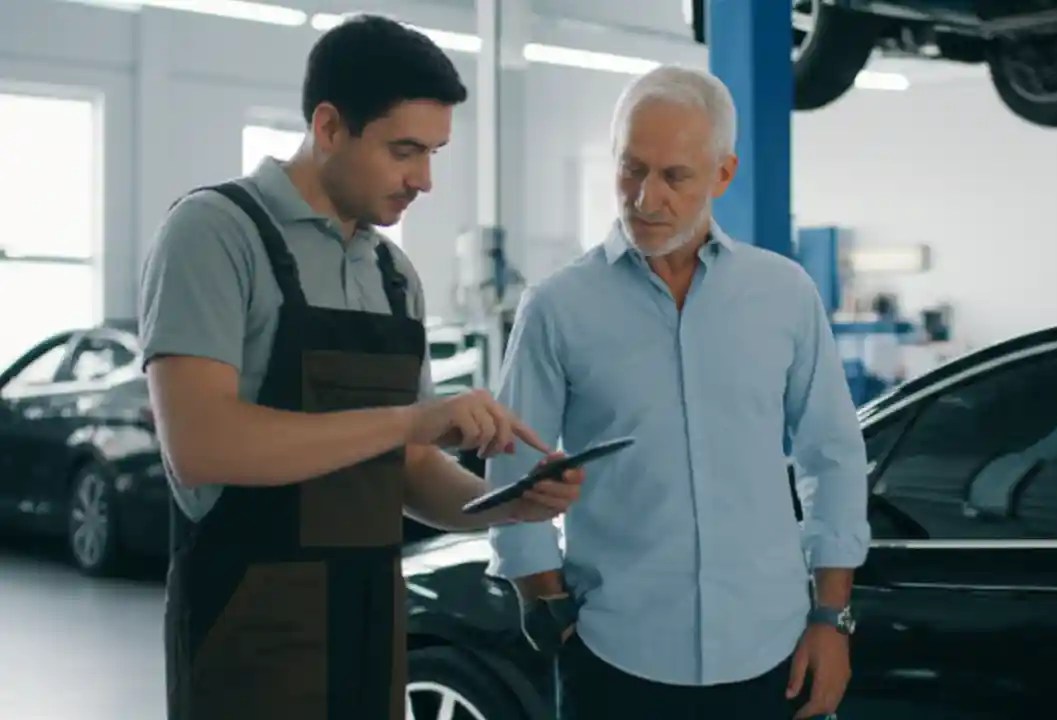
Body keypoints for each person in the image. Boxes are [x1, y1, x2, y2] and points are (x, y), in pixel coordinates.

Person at [138, 15, 583, 720]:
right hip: (247, 634)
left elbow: (409, 469)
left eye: (433, 153)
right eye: (404, 151)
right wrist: (411, 420)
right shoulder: (214, 233)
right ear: (328, 126)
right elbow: (200, 445)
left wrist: (507, 505)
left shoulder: (394, 275)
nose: (424, 180)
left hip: (371, 630)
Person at [486, 65, 871, 720]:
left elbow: (831, 455)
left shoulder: (784, 295)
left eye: (674, 176)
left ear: (723, 174)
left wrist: (831, 618)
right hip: (614, 659)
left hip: (772, 658)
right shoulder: (556, 307)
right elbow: (512, 475)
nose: (647, 198)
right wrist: (553, 617)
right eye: (632, 169)